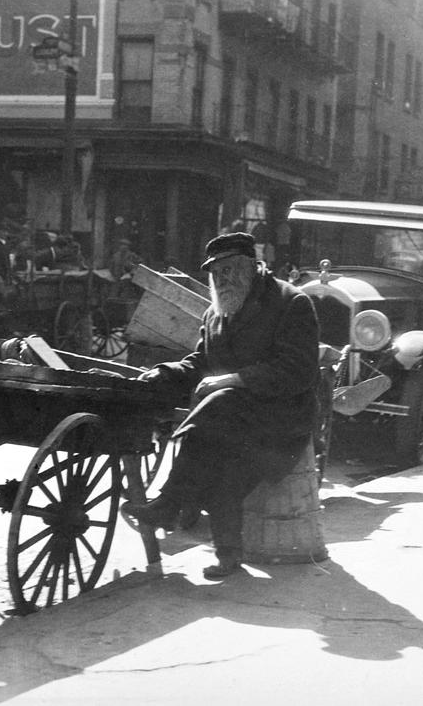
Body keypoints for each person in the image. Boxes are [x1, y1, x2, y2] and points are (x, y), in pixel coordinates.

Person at [122, 232, 321, 579]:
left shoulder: (291, 303)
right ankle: (228, 557)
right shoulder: (216, 313)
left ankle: (169, 502)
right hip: (230, 423)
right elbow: (199, 363)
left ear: (253, 267)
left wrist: (234, 380)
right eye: (215, 273)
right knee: (221, 469)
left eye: (230, 269)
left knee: (222, 403)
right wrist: (161, 373)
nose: (222, 279)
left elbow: (297, 372)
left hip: (280, 423)